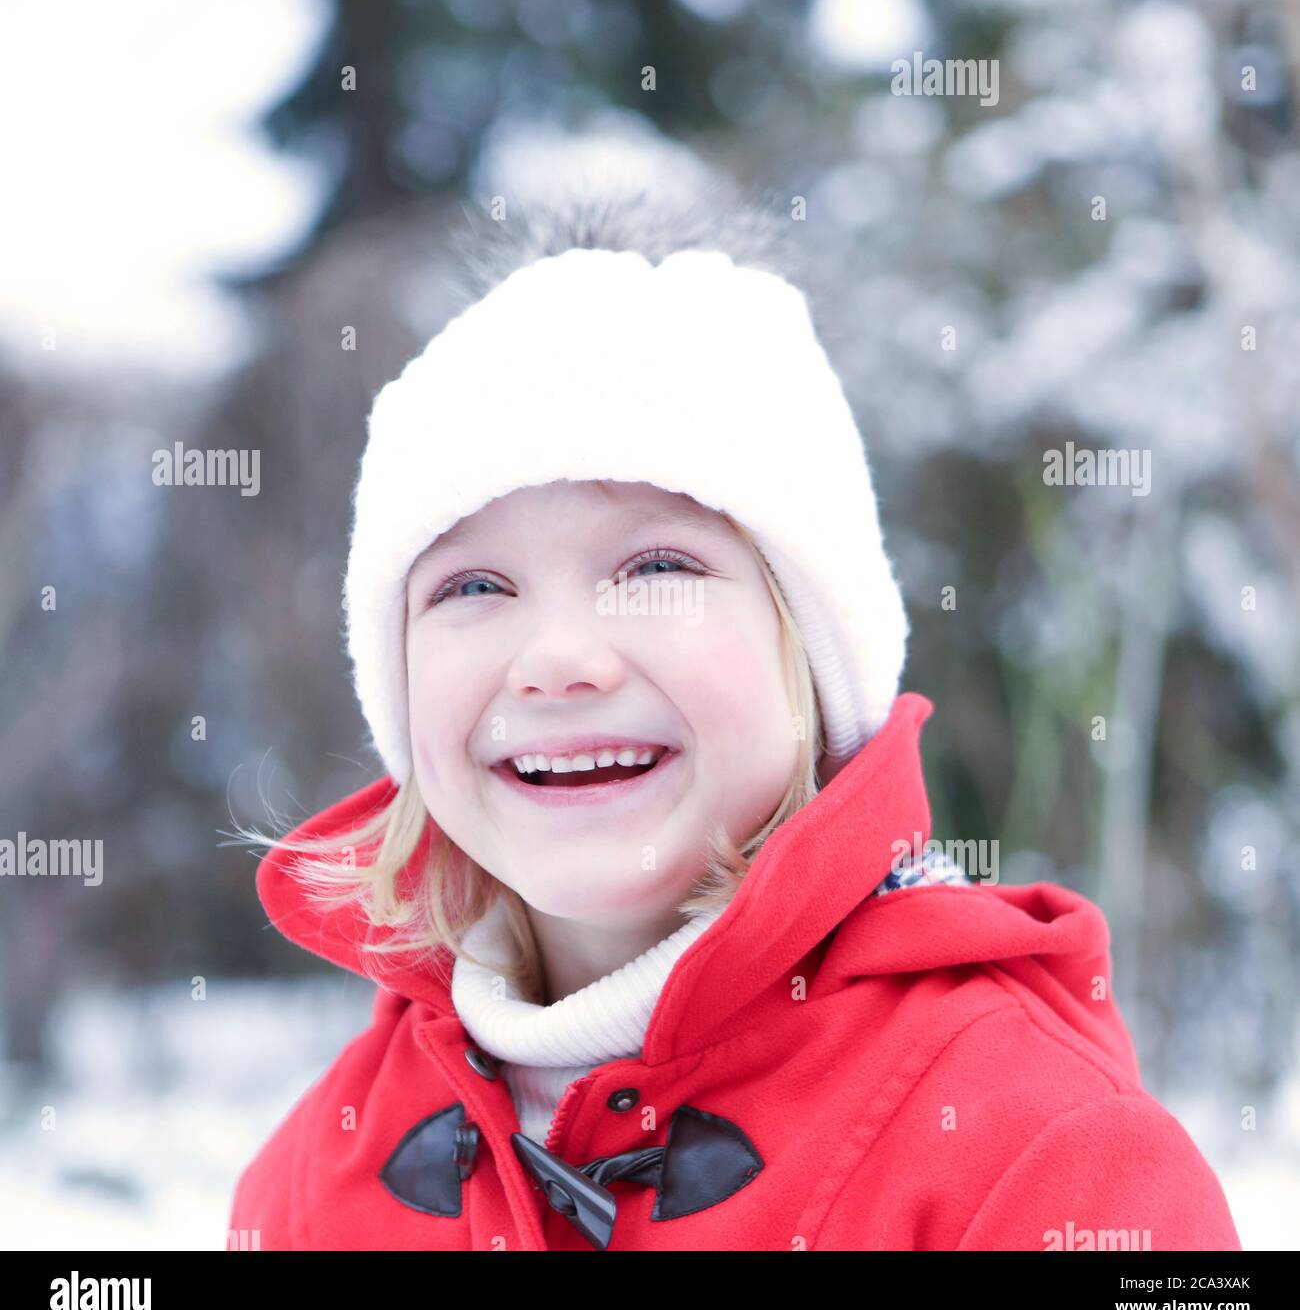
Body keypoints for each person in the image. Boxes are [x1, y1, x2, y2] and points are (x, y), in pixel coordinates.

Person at [227, 186, 1241, 1251]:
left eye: (656, 566)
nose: (558, 658)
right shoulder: (312, 1183)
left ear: (808, 648)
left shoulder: (1041, 1160)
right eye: (472, 588)